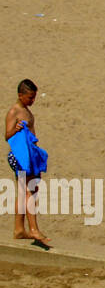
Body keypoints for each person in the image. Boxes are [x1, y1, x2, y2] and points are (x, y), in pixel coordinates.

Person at [6, 79, 49, 244]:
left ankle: (19, 230)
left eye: (34, 97)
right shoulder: (14, 111)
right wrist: (14, 129)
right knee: (31, 191)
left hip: (29, 156)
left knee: (24, 191)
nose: (33, 101)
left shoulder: (27, 111)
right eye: (30, 97)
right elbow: (7, 136)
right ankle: (34, 230)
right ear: (20, 95)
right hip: (20, 156)